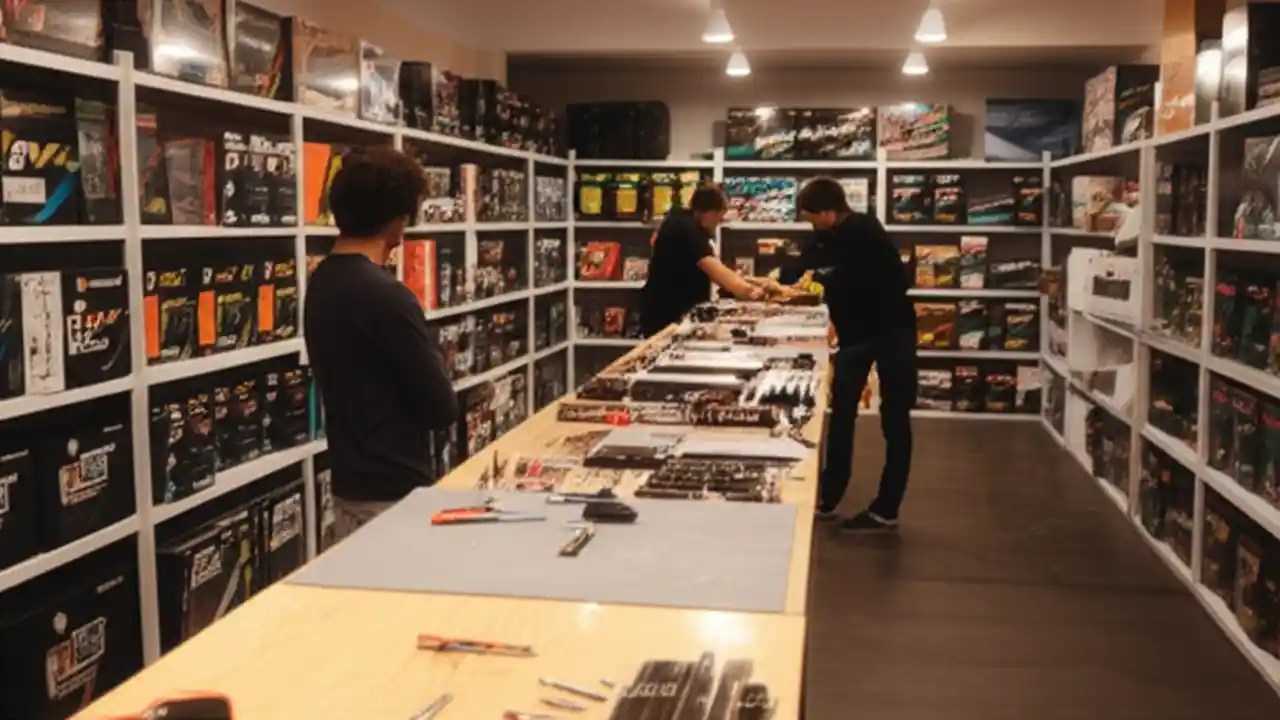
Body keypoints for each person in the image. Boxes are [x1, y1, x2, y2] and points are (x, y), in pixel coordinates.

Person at [304, 147, 459, 539]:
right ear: (399, 220)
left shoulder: (321, 281)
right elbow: (441, 407)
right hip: (395, 496)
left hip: (350, 486)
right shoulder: (387, 295)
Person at [795, 177, 917, 532]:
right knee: (841, 414)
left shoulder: (865, 233)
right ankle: (829, 497)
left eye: (812, 216)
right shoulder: (830, 237)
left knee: (894, 419)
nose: (811, 224)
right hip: (856, 338)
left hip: (891, 333)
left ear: (830, 212)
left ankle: (886, 508)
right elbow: (807, 263)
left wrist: (826, 278)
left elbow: (879, 281)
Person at [640, 184, 764, 337]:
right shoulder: (687, 230)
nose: (718, 224)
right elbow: (717, 272)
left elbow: (714, 266)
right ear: (710, 213)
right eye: (719, 218)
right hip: (667, 320)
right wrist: (752, 291)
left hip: (667, 314)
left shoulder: (681, 221)